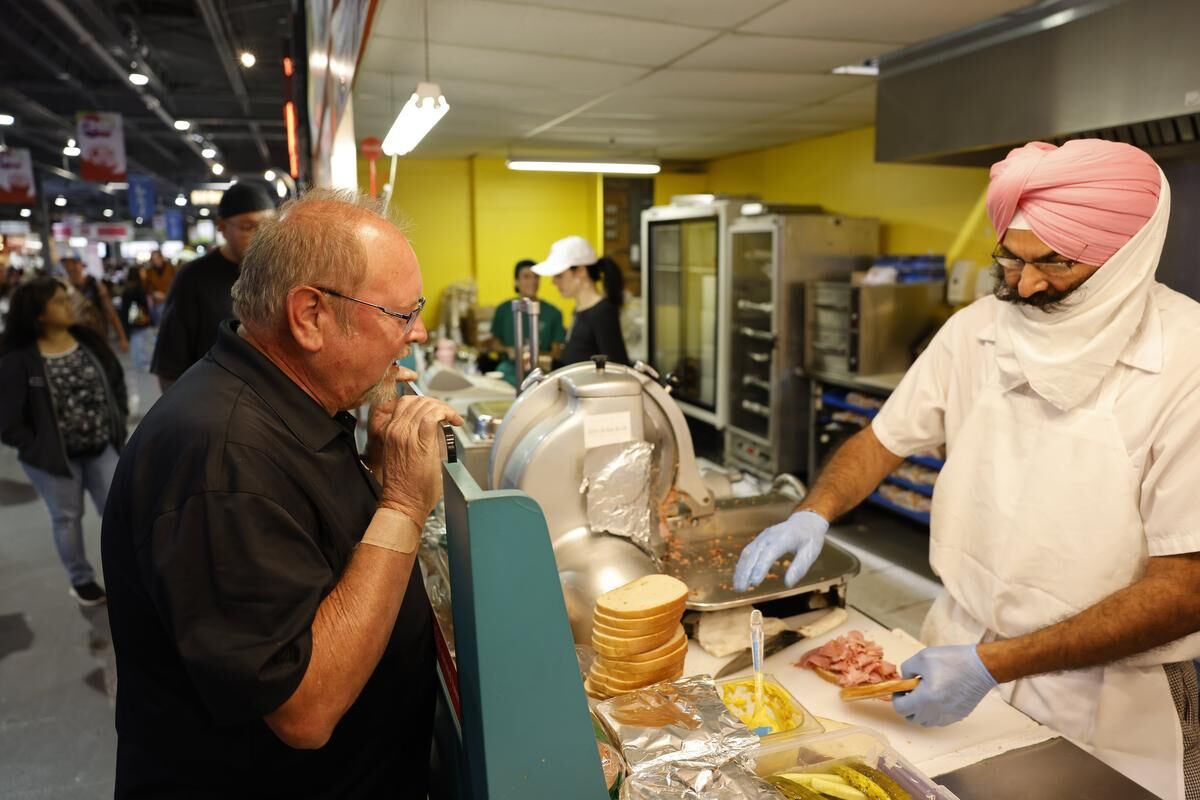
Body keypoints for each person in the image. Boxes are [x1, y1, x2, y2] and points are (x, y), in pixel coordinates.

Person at [733, 140, 1200, 800]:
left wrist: (993, 664)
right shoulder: (978, 328)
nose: (1026, 284)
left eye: (1056, 263)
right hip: (956, 643)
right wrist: (814, 512)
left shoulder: (1186, 363)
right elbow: (882, 440)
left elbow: (1186, 589)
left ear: (1127, 260)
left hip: (1106, 692)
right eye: (1011, 257)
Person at [101, 190, 462, 797]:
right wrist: (401, 504)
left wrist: (375, 475)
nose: (418, 334)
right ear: (310, 315)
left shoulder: (286, 404)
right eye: (400, 314)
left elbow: (313, 550)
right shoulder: (222, 459)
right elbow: (303, 709)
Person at [0, 277, 128, 607]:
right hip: (54, 460)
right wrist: (37, 446)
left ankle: (132, 571)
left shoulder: (87, 341)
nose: (68, 304)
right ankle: (81, 579)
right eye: (58, 301)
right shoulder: (19, 359)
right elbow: (8, 420)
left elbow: (115, 381)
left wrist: (117, 419)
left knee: (120, 510)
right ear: (39, 314)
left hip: (101, 447)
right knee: (66, 517)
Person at [150, 181, 275, 392]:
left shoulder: (279, 272)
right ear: (222, 227)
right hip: (212, 401)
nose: (261, 236)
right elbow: (169, 366)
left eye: (268, 226)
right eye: (249, 227)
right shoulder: (192, 278)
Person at [531, 236, 629, 367]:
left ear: (581, 271)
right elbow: (576, 363)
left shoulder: (602, 313)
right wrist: (546, 362)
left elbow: (617, 368)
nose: (554, 282)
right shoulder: (580, 311)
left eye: (559, 275)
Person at [487, 258, 567, 384]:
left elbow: (556, 353)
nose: (533, 281)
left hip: (541, 370)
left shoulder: (553, 313)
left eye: (536, 277)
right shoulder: (504, 309)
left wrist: (534, 356)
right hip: (509, 371)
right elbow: (494, 343)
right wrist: (509, 350)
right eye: (526, 277)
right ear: (516, 281)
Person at [62, 255, 129, 354]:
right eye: (68, 264)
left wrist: (122, 336)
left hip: (98, 334)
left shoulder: (94, 284)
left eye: (74, 263)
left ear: (80, 264)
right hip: (76, 338)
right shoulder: (64, 288)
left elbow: (111, 311)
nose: (72, 267)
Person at [140, 249, 176, 323]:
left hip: (171, 301)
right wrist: (153, 293)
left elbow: (176, 286)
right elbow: (148, 288)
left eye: (157, 258)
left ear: (161, 258)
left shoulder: (171, 269)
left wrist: (166, 296)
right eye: (153, 259)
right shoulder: (149, 272)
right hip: (157, 302)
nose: (156, 261)